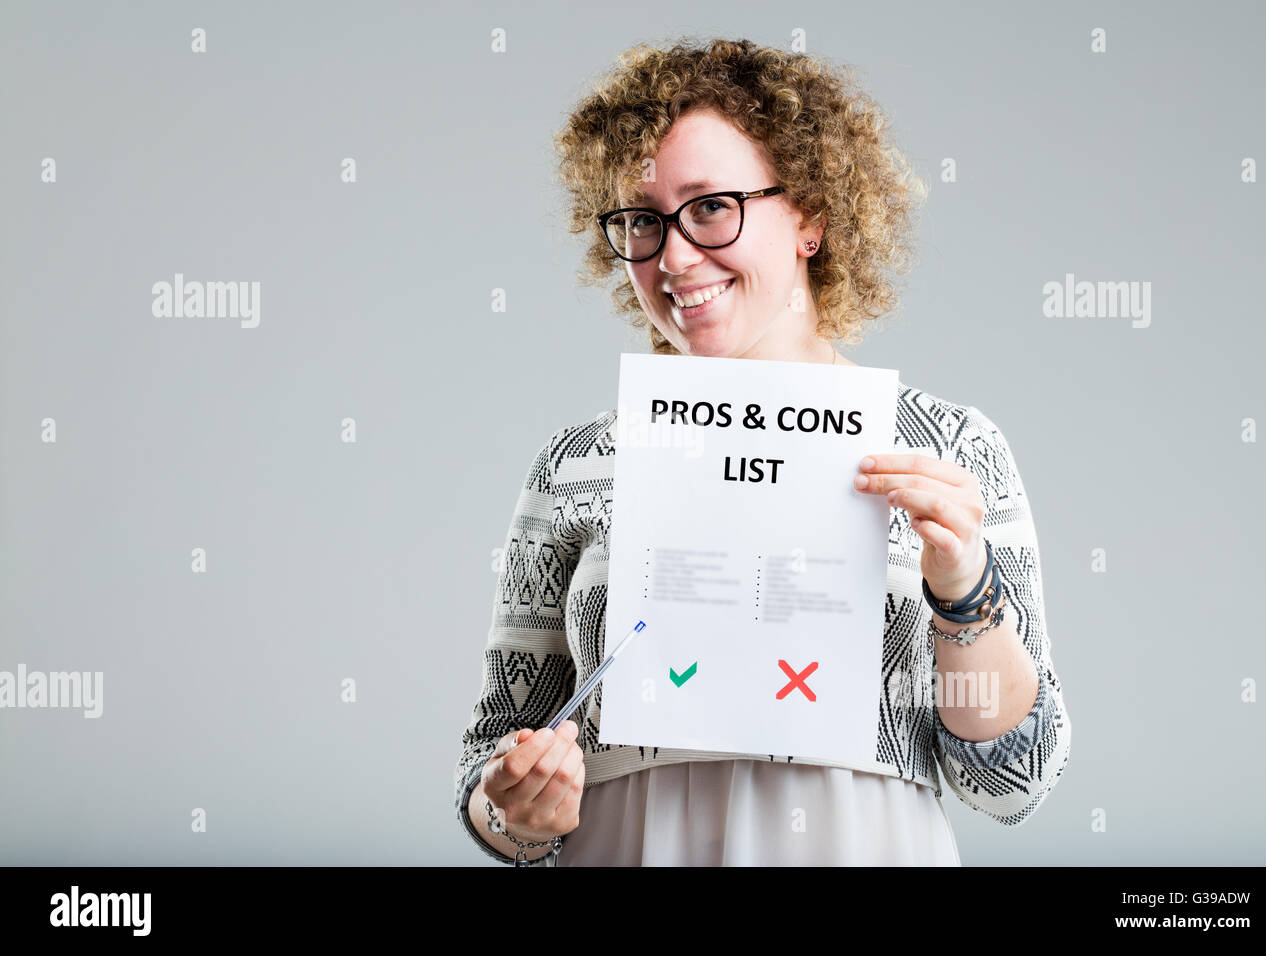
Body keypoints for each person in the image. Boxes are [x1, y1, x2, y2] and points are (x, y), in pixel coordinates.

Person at [453, 36, 1071, 866]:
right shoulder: (579, 463)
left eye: (710, 207)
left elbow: (1012, 784)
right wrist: (516, 812)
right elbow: (491, 768)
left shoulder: (949, 451)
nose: (672, 256)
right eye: (642, 221)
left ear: (811, 218)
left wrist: (962, 592)